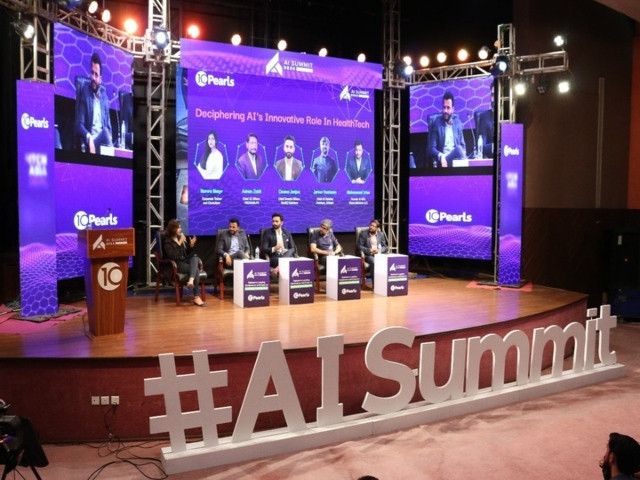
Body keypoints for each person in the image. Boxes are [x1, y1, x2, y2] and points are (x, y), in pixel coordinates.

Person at [162, 219, 205, 306]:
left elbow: (185, 253)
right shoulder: (167, 242)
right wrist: (180, 242)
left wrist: (191, 245)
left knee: (195, 257)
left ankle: (191, 281)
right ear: (173, 229)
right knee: (196, 269)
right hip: (176, 264)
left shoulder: (179, 237)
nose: (180, 230)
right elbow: (173, 256)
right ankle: (196, 297)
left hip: (184, 260)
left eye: (180, 227)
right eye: (178, 228)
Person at [76, 52, 112, 154]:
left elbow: (109, 127)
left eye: (96, 75)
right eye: (92, 73)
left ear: (101, 78)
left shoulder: (104, 98)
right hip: (90, 144)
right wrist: (89, 138)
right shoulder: (85, 92)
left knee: (106, 132)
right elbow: (79, 125)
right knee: (105, 133)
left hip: (103, 143)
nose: (93, 78)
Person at [428, 90, 467, 168]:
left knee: (459, 149)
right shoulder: (437, 123)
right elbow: (431, 148)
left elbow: (463, 145)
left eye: (448, 108)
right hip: (443, 161)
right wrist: (441, 156)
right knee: (459, 149)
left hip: (456, 160)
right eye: (444, 107)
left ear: (453, 109)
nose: (445, 110)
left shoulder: (457, 123)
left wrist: (462, 154)